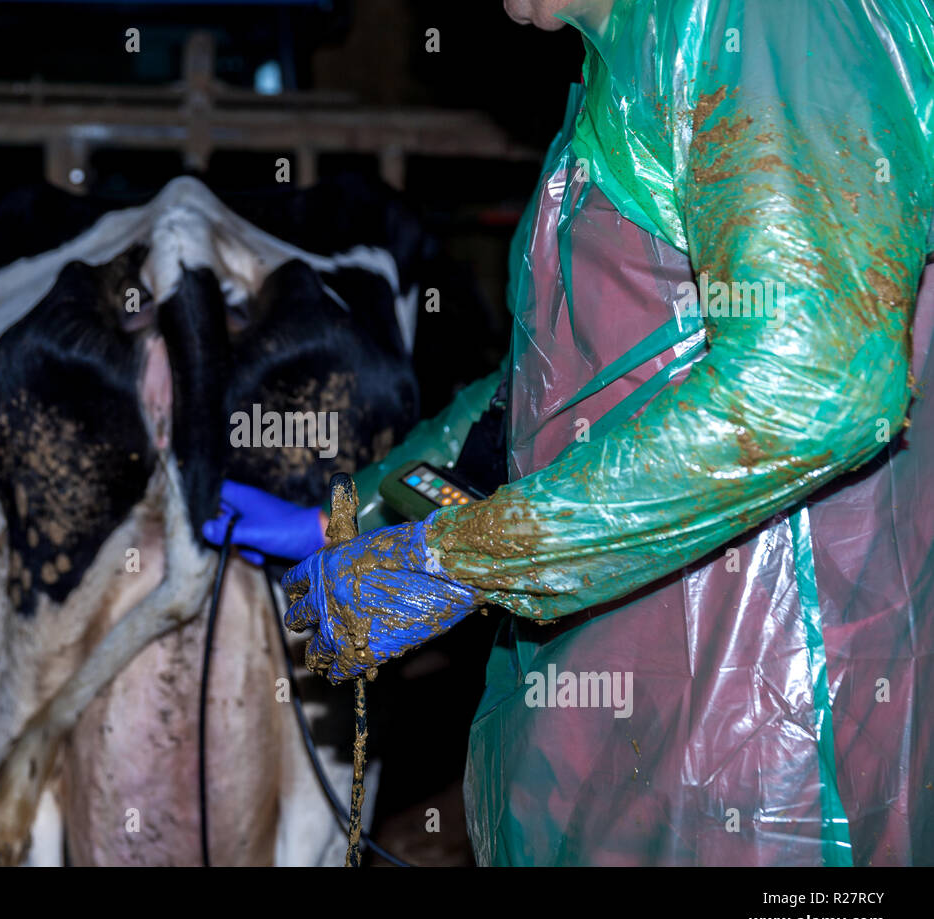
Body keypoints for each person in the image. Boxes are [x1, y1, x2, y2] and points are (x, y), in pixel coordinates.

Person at [205, 0, 934, 865]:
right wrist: (358, 514)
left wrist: (456, 558)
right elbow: (566, 380)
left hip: (772, 749)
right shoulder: (625, 55)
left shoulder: (766, 21)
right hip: (634, 727)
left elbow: (811, 381)